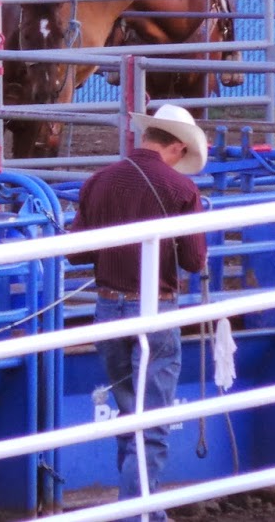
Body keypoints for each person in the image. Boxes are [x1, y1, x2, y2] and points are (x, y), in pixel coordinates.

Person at [67, 103, 210, 522]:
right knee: (152, 422)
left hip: (108, 305)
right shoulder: (182, 190)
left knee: (131, 415)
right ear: (177, 147)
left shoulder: (98, 182)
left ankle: (142, 509)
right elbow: (194, 261)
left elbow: (76, 249)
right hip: (155, 305)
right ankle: (139, 514)